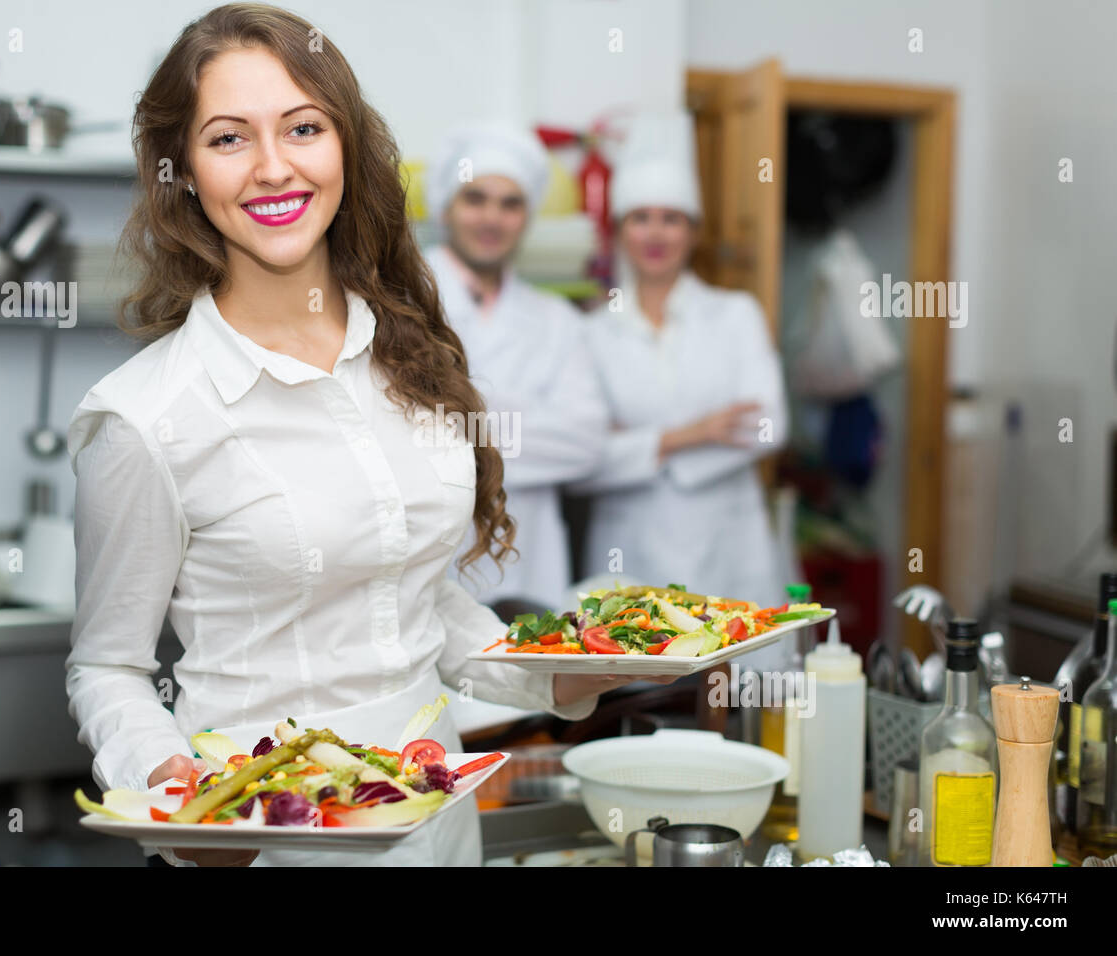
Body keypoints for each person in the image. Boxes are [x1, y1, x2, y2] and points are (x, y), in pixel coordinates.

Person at [64, 3, 656, 868]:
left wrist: (556, 674)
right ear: (182, 170)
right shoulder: (146, 417)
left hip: (440, 824)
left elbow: (415, 601)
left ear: (345, 145)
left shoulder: (406, 349)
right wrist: (176, 797)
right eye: (228, 139)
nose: (273, 168)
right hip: (268, 840)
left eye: (303, 128)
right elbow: (106, 668)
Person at [568, 109, 790, 665]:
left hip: (728, 541)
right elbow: (585, 457)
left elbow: (769, 426)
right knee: (638, 690)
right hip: (631, 543)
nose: (656, 232)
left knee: (736, 690)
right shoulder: (592, 332)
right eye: (640, 217)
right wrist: (696, 433)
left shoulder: (734, 314)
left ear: (693, 230)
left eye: (672, 218)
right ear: (620, 231)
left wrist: (640, 444)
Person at [423, 122, 661, 613]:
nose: (493, 217)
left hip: (529, 555)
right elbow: (401, 430)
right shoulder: (401, 301)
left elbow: (586, 443)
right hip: (429, 549)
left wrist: (463, 415)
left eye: (511, 204)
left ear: (527, 217)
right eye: (476, 198)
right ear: (447, 206)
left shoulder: (557, 320)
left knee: (530, 677)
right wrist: (531, 418)